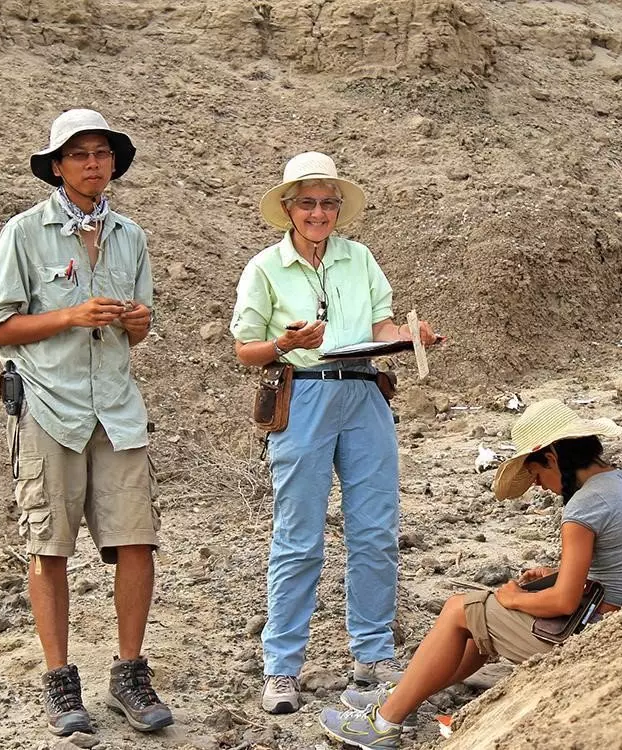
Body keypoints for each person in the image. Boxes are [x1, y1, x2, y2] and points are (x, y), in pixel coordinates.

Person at [0, 109, 173, 736]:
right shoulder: (24, 233)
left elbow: (137, 330)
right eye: (80, 154)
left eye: (102, 153)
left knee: (137, 540)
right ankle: (60, 685)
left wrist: (136, 325)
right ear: (57, 167)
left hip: (116, 408)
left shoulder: (131, 236)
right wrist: (69, 316)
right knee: (49, 546)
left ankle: (130, 674)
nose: (94, 164)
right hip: (47, 407)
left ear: (114, 163)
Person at [319, 398, 622, 749]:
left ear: (552, 457)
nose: (540, 485)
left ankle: (381, 725)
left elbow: (564, 601)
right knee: (477, 623)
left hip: (595, 634)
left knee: (459, 608)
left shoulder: (583, 507)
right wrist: (554, 574)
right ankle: (401, 696)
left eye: (536, 473)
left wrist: (514, 598)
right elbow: (620, 565)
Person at [230, 152, 437, 714]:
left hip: (364, 391)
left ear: (338, 208)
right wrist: (286, 344)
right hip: (305, 392)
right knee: (298, 536)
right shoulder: (265, 268)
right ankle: (281, 667)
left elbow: (380, 326)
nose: (318, 212)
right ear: (288, 209)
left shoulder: (360, 258)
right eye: (307, 202)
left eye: (327, 202)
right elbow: (246, 348)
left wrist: (410, 334)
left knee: (375, 530)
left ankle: (372, 657)